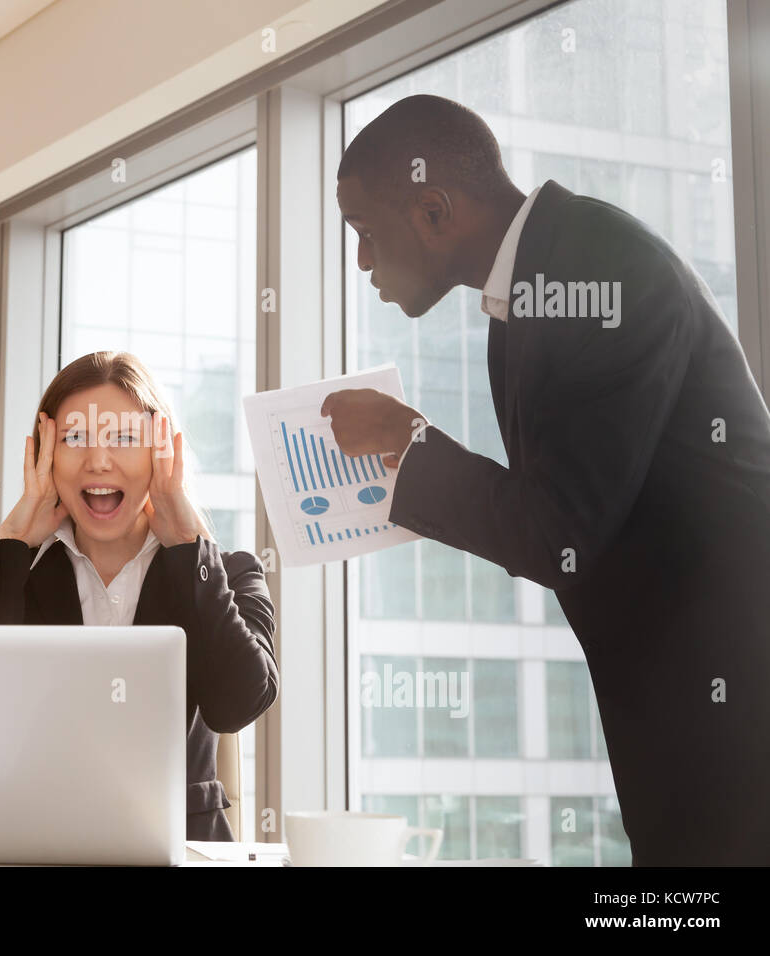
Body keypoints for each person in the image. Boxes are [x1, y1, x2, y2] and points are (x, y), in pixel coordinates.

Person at [324, 93, 770, 865]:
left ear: (432, 210)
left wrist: (408, 441)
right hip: (686, 714)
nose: (361, 262)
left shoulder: (601, 268)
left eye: (365, 233)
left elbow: (558, 531)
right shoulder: (529, 294)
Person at [0, 351, 279, 840]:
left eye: (124, 438)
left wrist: (191, 548)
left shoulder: (224, 574)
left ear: (161, 452)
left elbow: (238, 704)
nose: (98, 460)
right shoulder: (6, 574)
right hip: (36, 843)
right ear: (44, 454)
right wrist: (15, 535)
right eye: (74, 438)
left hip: (181, 848)